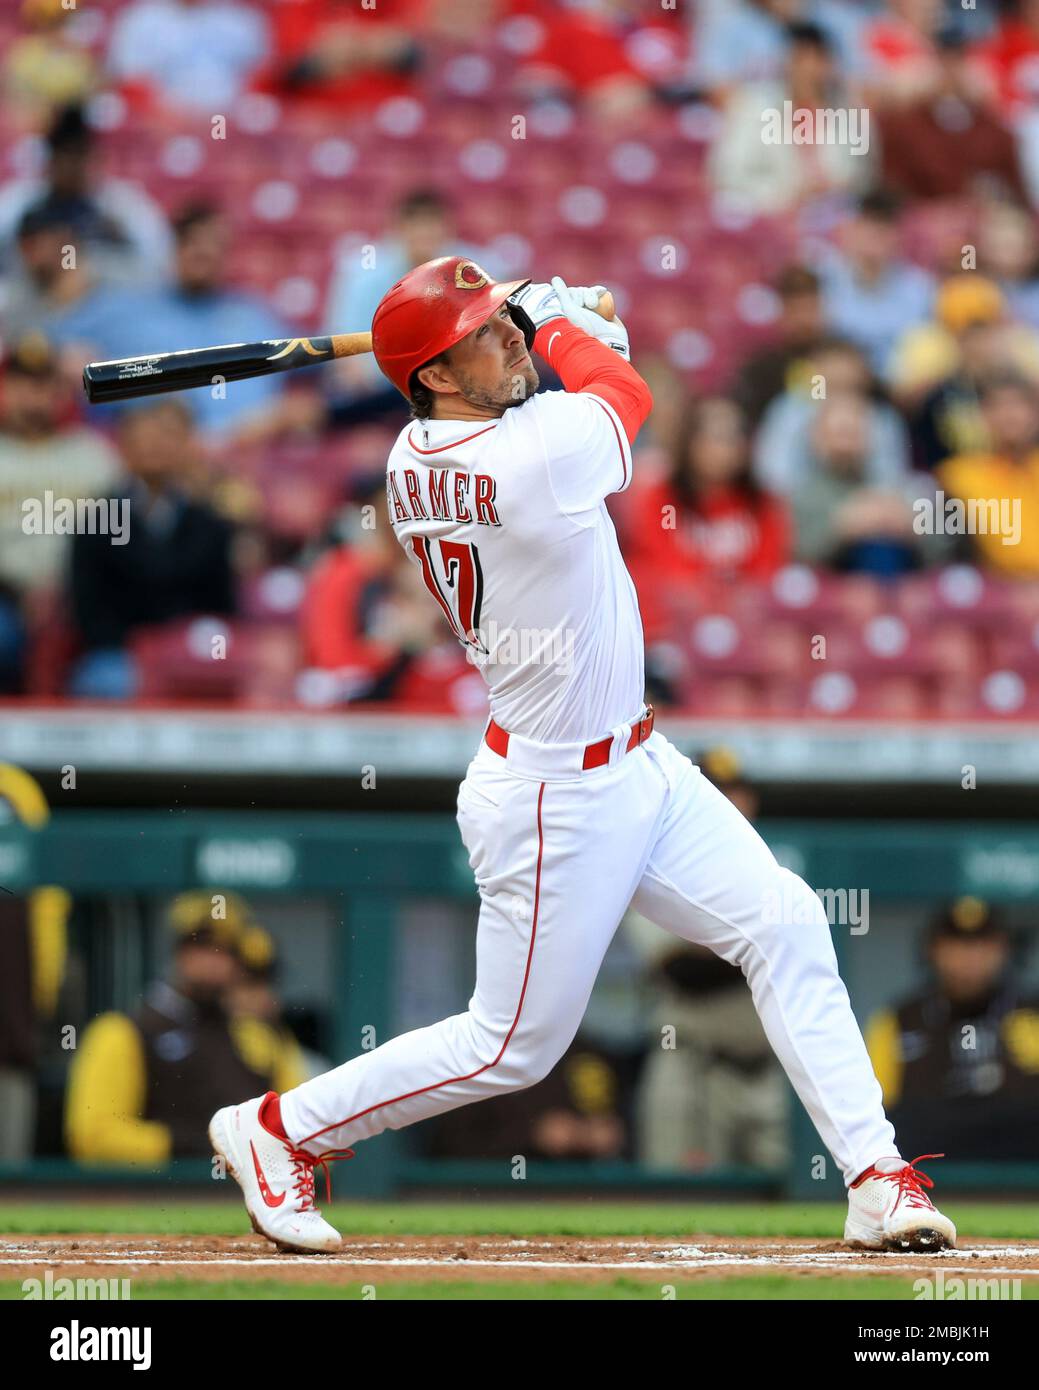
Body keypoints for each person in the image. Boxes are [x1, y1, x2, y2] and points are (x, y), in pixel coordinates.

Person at [210, 255, 957, 1256]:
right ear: (434, 375)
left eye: (500, 322)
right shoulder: (525, 457)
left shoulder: (419, 451)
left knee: (783, 922)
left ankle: (873, 1177)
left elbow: (589, 388)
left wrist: (536, 323)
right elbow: (624, 395)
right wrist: (557, 322)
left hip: (637, 763)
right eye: (480, 336)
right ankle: (278, 1128)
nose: (504, 340)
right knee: (509, 1047)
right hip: (553, 792)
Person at [628, 748, 789, 1172]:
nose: (732, 803)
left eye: (737, 791)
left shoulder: (775, 866)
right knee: (680, 1195)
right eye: (718, 792)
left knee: (792, 1194)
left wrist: (734, 942)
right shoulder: (654, 864)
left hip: (770, 1070)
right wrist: (762, 941)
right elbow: (682, 969)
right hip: (692, 1066)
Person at [66, 893, 303, 1165]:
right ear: (179, 950)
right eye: (201, 944)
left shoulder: (259, 1035)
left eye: (226, 951)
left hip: (248, 1186)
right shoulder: (124, 1031)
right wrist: (192, 1146)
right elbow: (94, 1137)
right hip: (160, 1186)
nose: (213, 961)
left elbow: (300, 1125)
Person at [67, 398, 236, 699]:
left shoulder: (209, 523)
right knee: (112, 682)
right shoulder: (97, 520)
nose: (154, 445)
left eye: (166, 435)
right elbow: (87, 607)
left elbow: (220, 603)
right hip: (119, 653)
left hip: (188, 647)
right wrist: (142, 646)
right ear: (123, 445)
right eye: (143, 436)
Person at [866, 899, 1039, 1161]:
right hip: (926, 1175)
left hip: (1022, 1175)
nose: (970, 958)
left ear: (1005, 949)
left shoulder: (1031, 1015)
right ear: (932, 950)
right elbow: (872, 1115)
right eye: (956, 945)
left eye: (983, 945)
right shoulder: (899, 1020)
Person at [708, 22, 873, 216]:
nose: (807, 70)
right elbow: (728, 173)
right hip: (773, 213)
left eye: (816, 60)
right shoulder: (755, 108)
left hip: (838, 213)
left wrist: (837, 186)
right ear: (786, 62)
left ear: (829, 65)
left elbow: (865, 174)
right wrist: (786, 192)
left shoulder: (848, 111)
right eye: (800, 59)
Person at [0, 104, 172, 283]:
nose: (75, 166)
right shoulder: (20, 202)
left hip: (105, 293)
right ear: (51, 160)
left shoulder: (123, 206)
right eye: (67, 155)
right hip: (30, 293)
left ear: (95, 158)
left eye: (81, 155)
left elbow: (156, 259)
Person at [817, 190, 935, 380]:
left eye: (884, 226)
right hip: (839, 382)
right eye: (868, 224)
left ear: (898, 235)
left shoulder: (920, 289)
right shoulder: (823, 278)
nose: (875, 234)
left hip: (902, 386)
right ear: (851, 229)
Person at [938, 373, 1039, 578]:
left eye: (1019, 405)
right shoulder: (959, 476)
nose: (1010, 416)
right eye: (998, 406)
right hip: (995, 587)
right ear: (982, 415)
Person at [107, 0, 271, 113]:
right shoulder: (140, 19)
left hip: (227, 126)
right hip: (158, 127)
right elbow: (129, 82)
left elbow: (260, 83)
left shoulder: (242, 20)